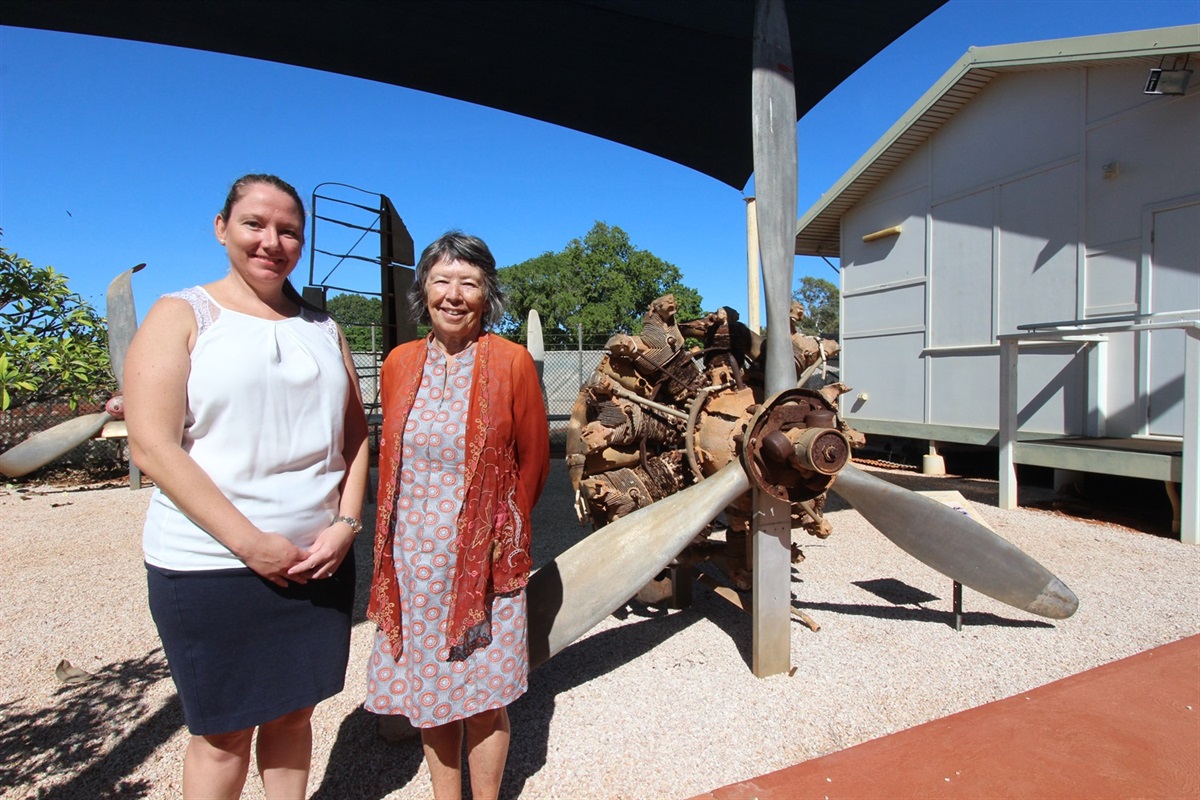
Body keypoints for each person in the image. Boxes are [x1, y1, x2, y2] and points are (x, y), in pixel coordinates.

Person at [124, 173, 369, 799]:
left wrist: (344, 527)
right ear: (221, 228)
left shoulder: (324, 327)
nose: (272, 241)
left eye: (289, 230)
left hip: (319, 563)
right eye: (255, 224)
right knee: (223, 734)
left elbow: (356, 439)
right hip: (210, 564)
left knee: (294, 714)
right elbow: (152, 445)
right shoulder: (180, 314)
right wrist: (251, 543)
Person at [365, 231, 549, 800]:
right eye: (442, 280)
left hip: (483, 561)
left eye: (468, 283)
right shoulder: (398, 363)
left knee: (484, 698)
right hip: (414, 562)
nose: (453, 295)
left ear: (486, 293)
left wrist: (503, 533)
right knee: (433, 693)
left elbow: (535, 458)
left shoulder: (513, 362)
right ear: (423, 288)